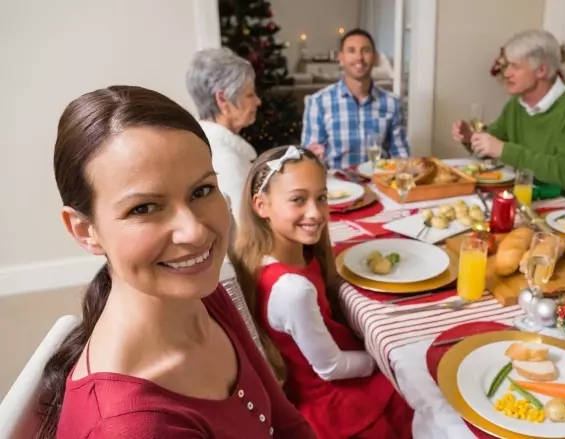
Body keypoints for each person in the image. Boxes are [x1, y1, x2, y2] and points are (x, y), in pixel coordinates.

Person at [37, 86, 315, 439]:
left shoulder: (202, 296)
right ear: (84, 230)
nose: (195, 233)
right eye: (143, 208)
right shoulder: (131, 427)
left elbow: (288, 423)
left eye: (201, 191)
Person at [230, 145, 414, 438]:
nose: (315, 213)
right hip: (333, 403)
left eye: (322, 197)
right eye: (298, 200)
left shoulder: (287, 255)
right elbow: (330, 367)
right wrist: (381, 360)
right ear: (260, 205)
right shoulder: (292, 289)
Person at [452, 30, 565, 206]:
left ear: (541, 70)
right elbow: (493, 144)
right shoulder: (517, 104)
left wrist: (504, 150)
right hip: (527, 197)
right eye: (507, 65)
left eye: (516, 66)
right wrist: (471, 138)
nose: (506, 73)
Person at [301, 28, 410, 169]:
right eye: (351, 51)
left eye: (365, 50)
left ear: (375, 58)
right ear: (341, 58)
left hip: (378, 184)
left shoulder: (392, 104)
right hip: (336, 186)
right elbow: (310, 159)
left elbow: (400, 155)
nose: (359, 57)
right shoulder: (318, 102)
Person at [186, 47, 262, 217]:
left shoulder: (199, 142)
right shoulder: (227, 161)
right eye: (249, 94)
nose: (258, 101)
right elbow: (245, 235)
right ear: (222, 99)